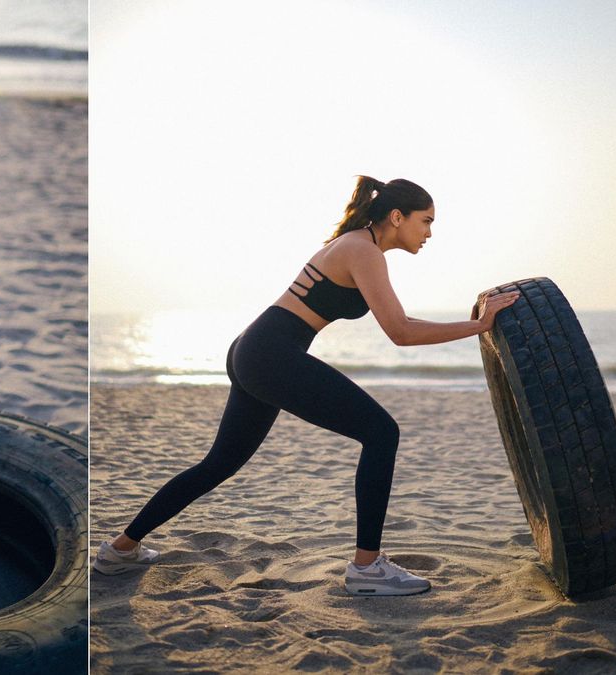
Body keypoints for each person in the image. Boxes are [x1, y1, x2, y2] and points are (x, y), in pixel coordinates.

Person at [93, 176, 519, 596]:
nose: (429, 233)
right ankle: (367, 568)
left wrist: (475, 324)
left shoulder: (355, 243)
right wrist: (480, 326)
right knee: (381, 432)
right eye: (426, 221)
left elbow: (402, 323)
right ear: (396, 216)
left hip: (254, 348)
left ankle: (119, 550)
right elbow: (401, 333)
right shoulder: (364, 251)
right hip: (270, 353)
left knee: (219, 464)